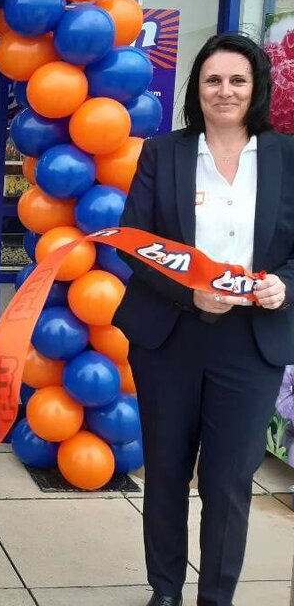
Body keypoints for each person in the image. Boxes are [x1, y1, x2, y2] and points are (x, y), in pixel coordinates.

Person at [113, 32, 294, 606]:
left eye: (238, 80)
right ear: (197, 87)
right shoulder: (162, 153)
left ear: (256, 87)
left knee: (228, 482)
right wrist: (188, 295)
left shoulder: (289, 157)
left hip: (251, 341)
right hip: (171, 336)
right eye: (213, 79)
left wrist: (283, 285)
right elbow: (132, 244)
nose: (225, 91)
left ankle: (216, 597)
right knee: (165, 472)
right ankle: (164, 591)